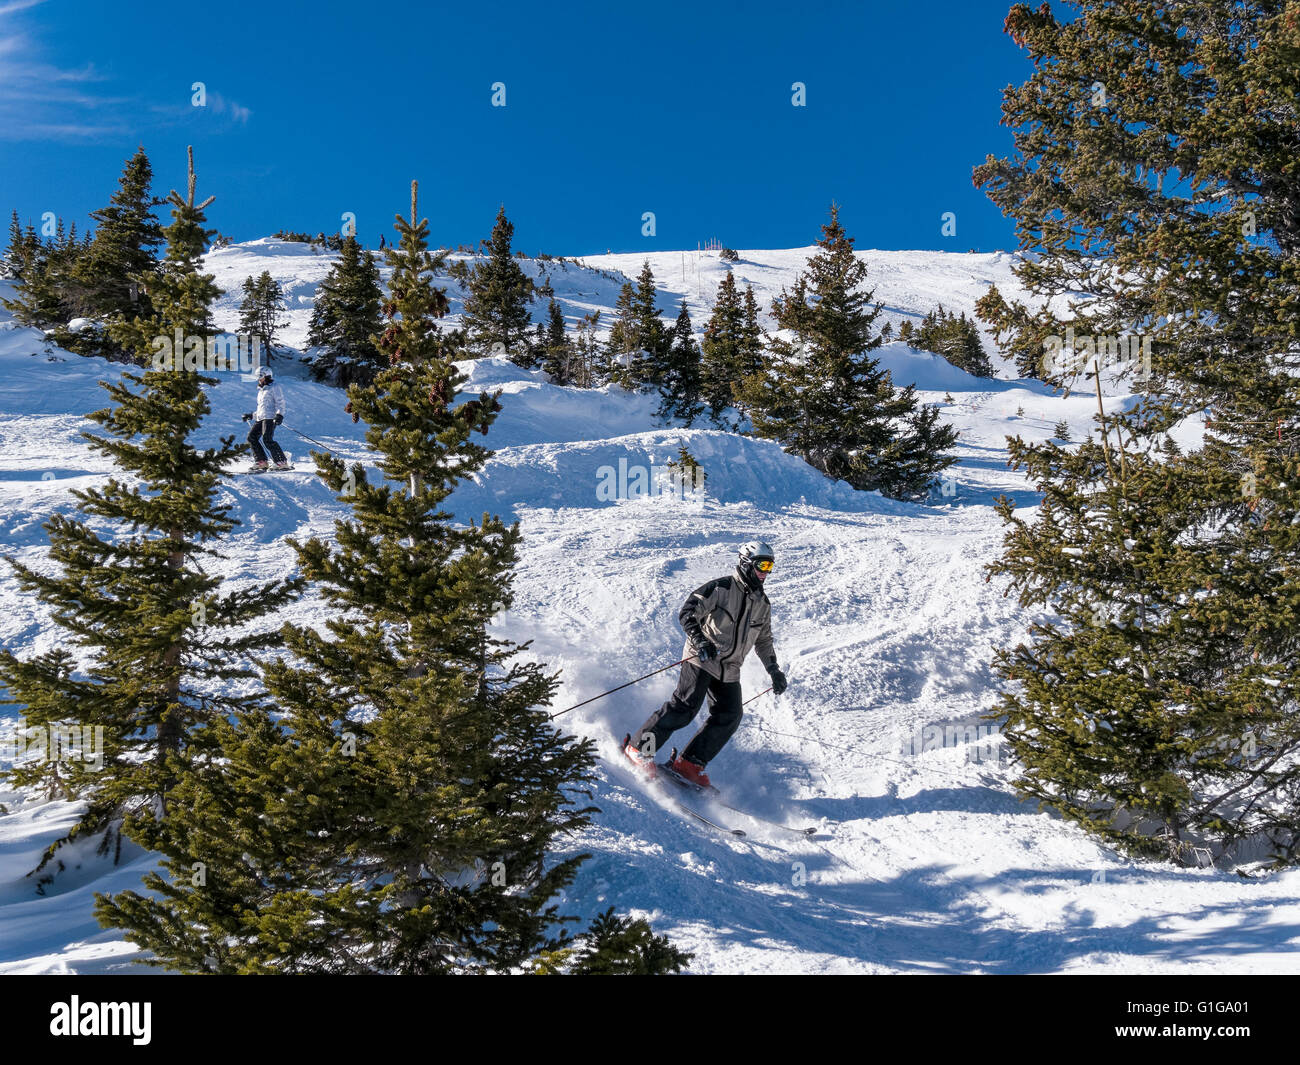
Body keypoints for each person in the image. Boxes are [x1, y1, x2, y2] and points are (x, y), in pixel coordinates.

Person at [624, 541, 788, 788]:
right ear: (745, 564)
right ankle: (638, 748)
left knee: (730, 715)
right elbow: (688, 611)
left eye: (770, 566)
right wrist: (700, 641)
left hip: (729, 668)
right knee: (685, 707)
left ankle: (689, 764)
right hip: (702, 659)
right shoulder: (721, 588)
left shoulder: (762, 604)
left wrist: (774, 670)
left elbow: (763, 640)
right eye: (762, 565)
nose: (766, 572)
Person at [242, 366, 289, 471]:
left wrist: (280, 414)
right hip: (261, 418)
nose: (259, 379)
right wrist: (251, 416)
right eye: (257, 377)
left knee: (267, 439)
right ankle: (262, 462)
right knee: (251, 437)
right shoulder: (261, 390)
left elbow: (280, 402)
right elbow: (262, 408)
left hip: (270, 418)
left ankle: (281, 462)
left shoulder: (274, 387)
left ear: (267, 376)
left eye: (261, 376)